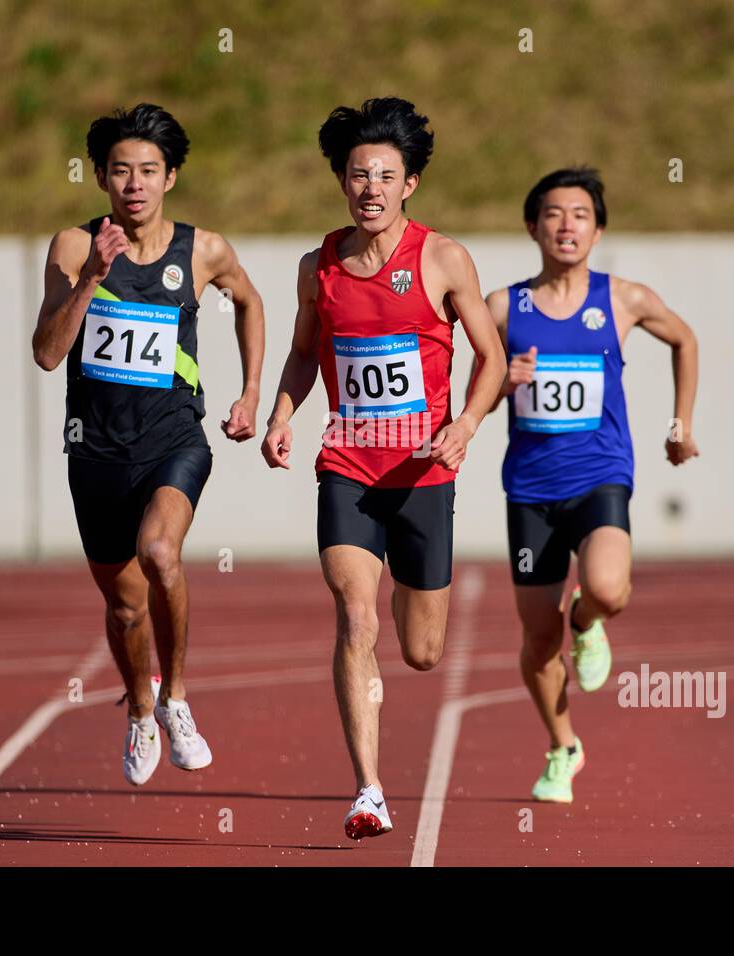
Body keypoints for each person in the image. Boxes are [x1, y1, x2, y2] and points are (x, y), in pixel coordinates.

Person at [260, 97, 506, 839]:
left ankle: (408, 589)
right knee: (354, 615)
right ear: (341, 180)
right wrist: (280, 414)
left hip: (425, 475)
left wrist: (464, 425)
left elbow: (491, 358)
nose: (370, 187)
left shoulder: (443, 259)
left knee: (423, 654)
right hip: (349, 469)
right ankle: (368, 789)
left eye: (385, 175)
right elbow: (306, 351)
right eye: (357, 173)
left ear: (411, 185)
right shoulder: (318, 266)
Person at [32, 103, 265, 786]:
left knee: (160, 552)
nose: (135, 183)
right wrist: (90, 281)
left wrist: (251, 392)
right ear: (101, 177)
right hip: (97, 452)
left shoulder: (204, 250)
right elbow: (48, 355)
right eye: (121, 171)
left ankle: (178, 699)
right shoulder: (74, 248)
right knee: (126, 604)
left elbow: (249, 301)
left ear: (170, 178)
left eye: (149, 171)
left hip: (174, 440)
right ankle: (140, 706)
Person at [479, 167, 699, 803]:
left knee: (608, 587)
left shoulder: (622, 298)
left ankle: (588, 619)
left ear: (598, 230)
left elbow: (684, 339)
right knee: (536, 639)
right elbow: (472, 402)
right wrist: (504, 382)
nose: (566, 225)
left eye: (579, 214)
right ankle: (563, 746)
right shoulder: (504, 306)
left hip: (602, 474)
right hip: (529, 491)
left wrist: (681, 423)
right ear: (532, 226)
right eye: (553, 213)